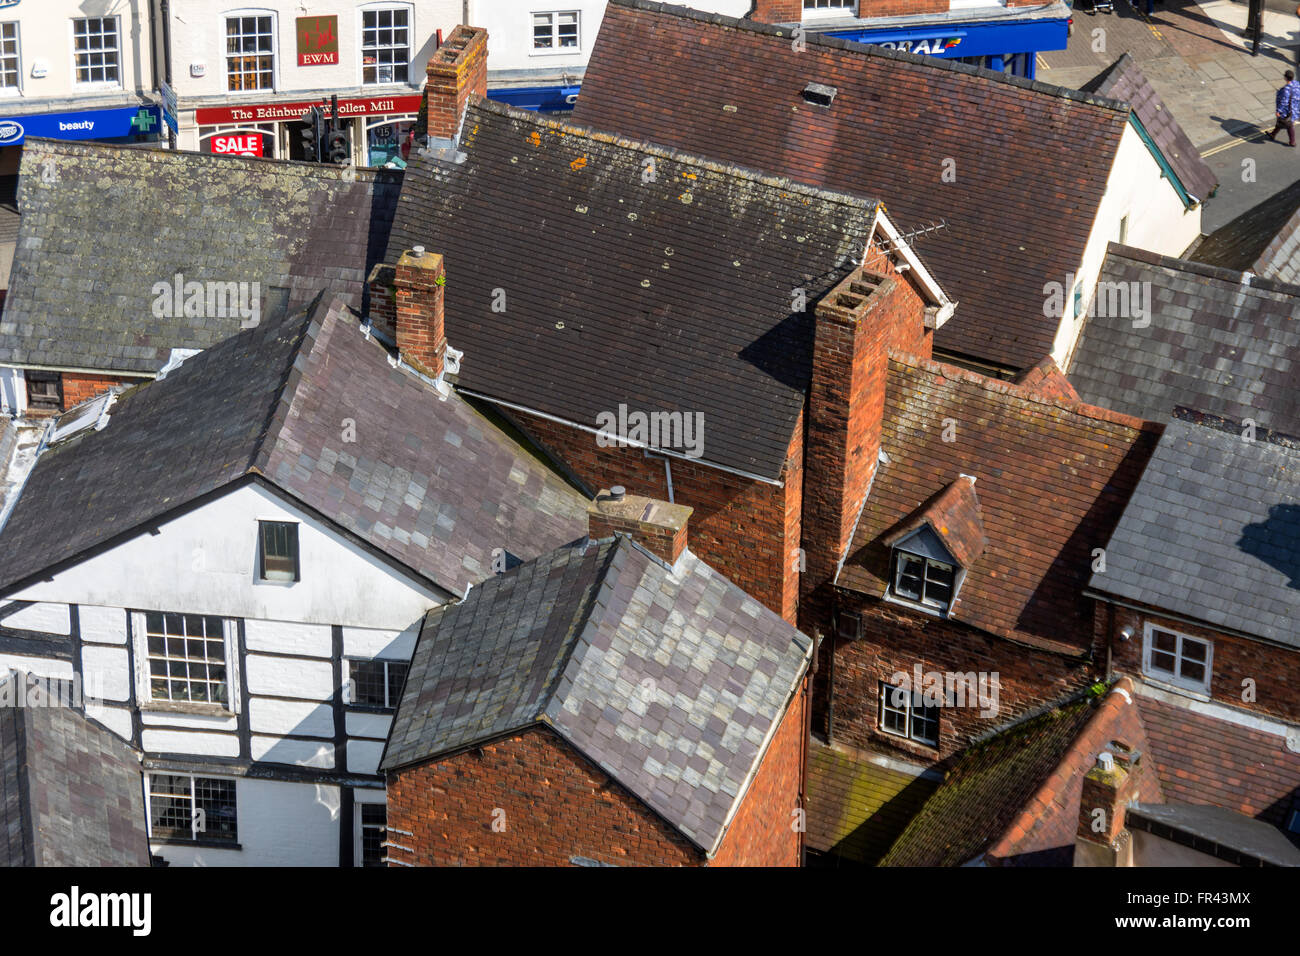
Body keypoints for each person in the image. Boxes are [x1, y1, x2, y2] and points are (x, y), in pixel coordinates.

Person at [1269, 70, 1300, 146]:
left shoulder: (1286, 90)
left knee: (1288, 123)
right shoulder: (1297, 84)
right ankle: (1273, 134)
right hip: (1296, 107)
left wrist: (1278, 111)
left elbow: (1284, 102)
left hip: (1288, 110)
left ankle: (1292, 142)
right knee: (1282, 121)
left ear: (1285, 78)